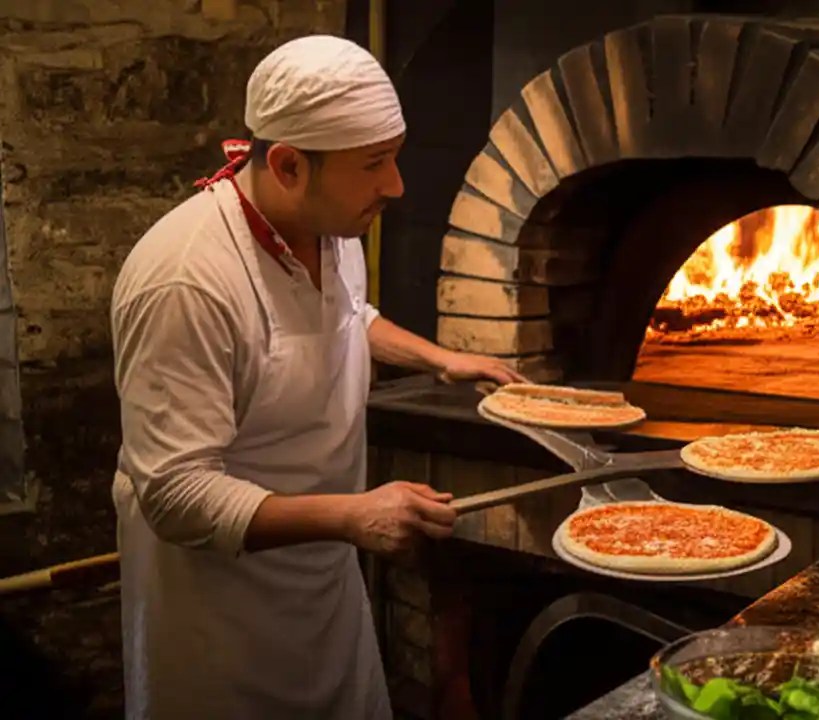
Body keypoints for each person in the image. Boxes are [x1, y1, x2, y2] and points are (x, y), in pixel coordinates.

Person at [109, 34, 525, 720]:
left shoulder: (331, 227)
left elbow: (343, 316)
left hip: (320, 575)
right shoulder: (186, 280)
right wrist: (355, 513)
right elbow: (176, 493)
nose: (395, 186)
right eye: (375, 165)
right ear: (289, 163)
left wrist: (441, 359)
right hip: (215, 610)